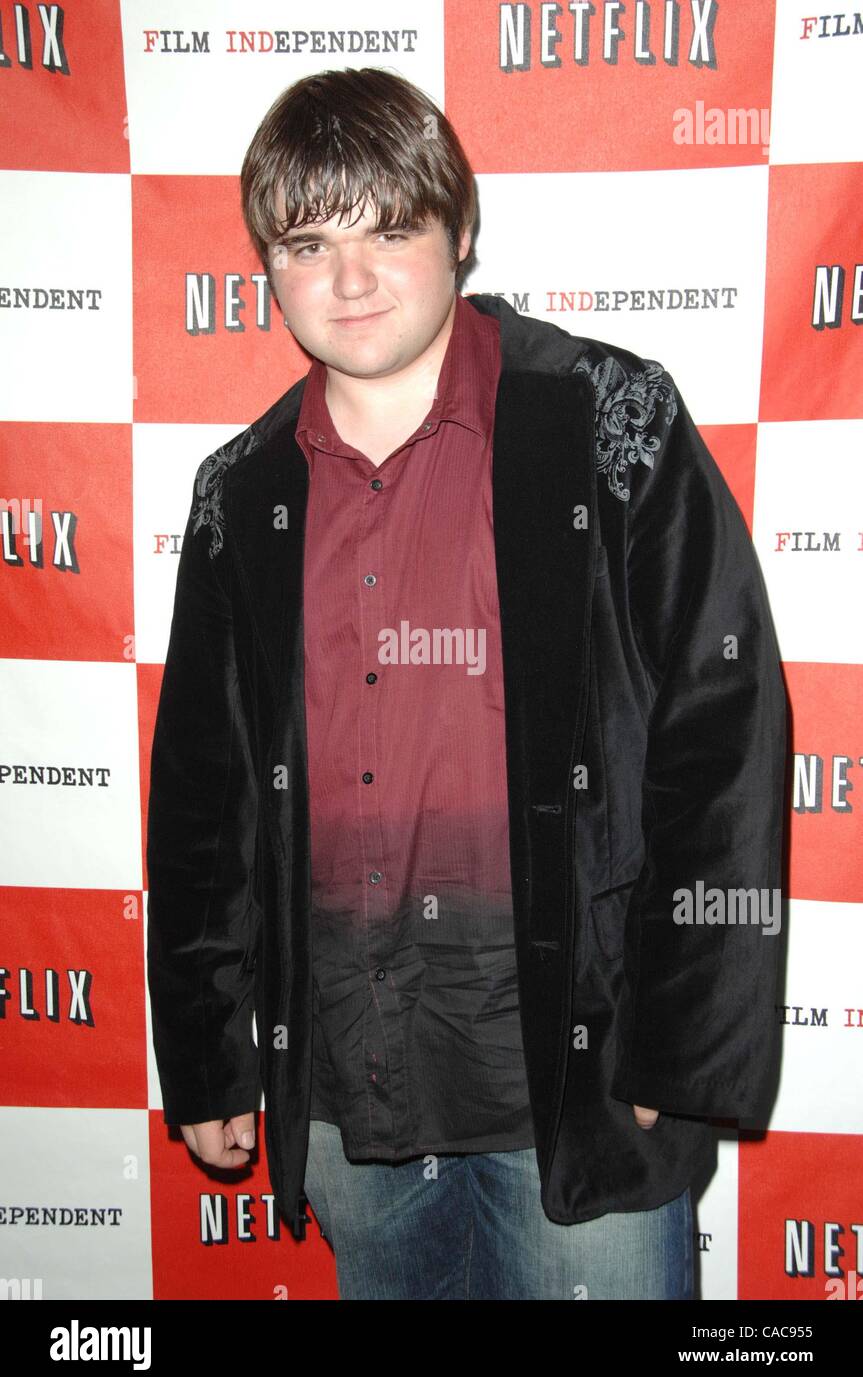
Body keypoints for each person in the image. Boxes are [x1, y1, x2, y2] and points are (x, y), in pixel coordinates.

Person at [146, 66, 788, 1300]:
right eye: (308, 240)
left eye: (390, 228)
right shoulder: (240, 493)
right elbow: (203, 802)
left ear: (459, 234)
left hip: (581, 1088)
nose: (350, 278)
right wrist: (213, 1054)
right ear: (266, 269)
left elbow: (724, 730)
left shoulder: (608, 422)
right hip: (349, 1096)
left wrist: (684, 1036)